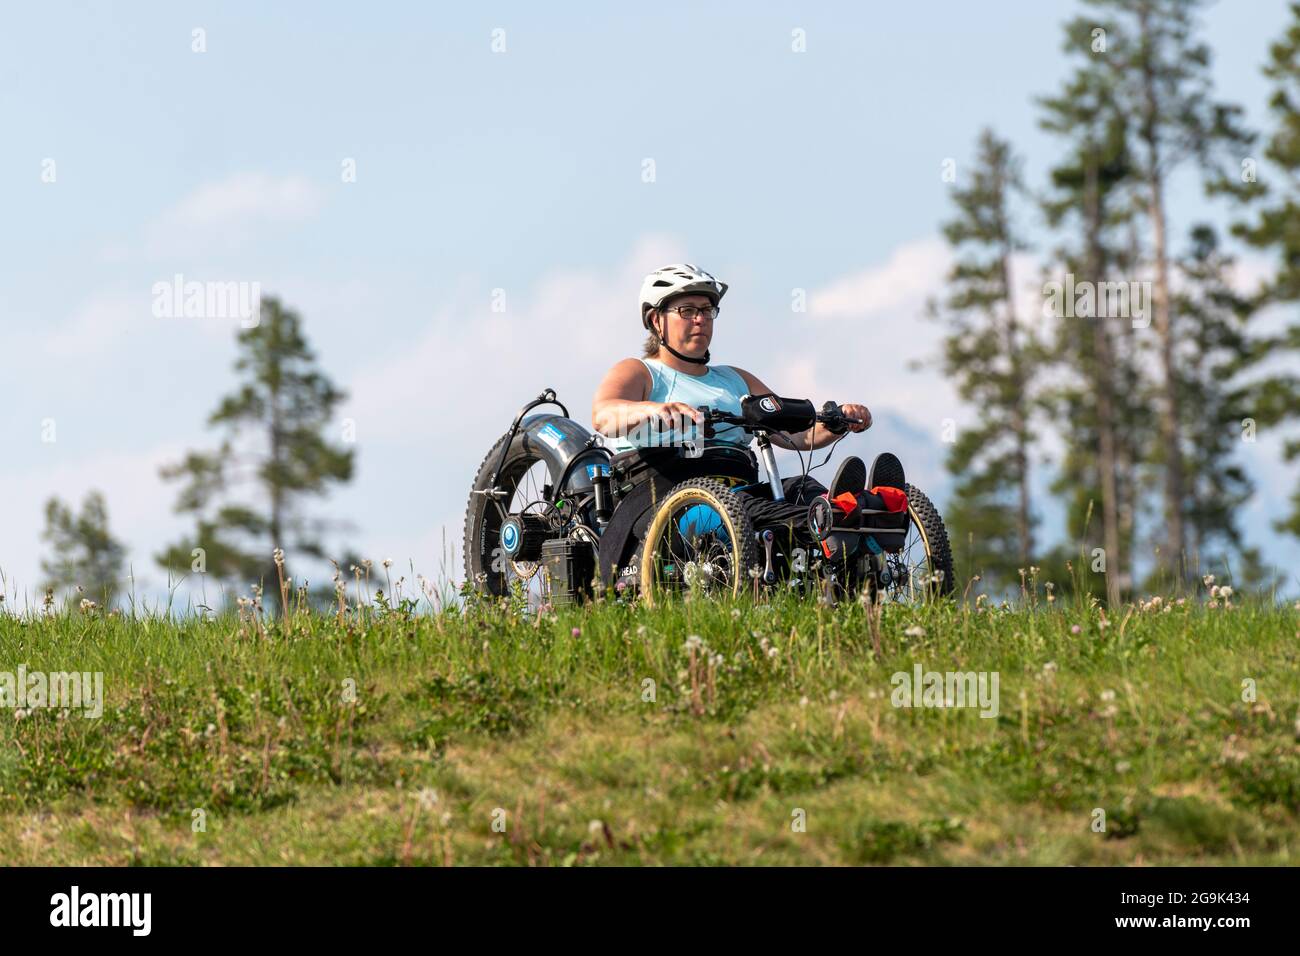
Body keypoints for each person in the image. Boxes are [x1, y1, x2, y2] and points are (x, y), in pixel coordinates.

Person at [591, 263, 908, 559]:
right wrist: (655, 410)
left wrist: (836, 424)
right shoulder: (641, 372)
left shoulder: (735, 379)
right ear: (656, 320)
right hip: (669, 500)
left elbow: (792, 434)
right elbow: (604, 415)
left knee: (801, 487)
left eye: (706, 310)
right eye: (687, 310)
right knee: (746, 507)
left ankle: (860, 516)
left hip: (740, 489)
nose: (700, 319)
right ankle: (833, 521)